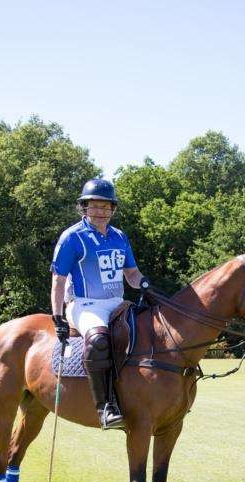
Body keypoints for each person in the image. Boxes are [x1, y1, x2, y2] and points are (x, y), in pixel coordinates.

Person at [51, 178, 151, 430]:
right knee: (98, 341)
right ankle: (105, 407)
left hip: (117, 303)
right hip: (85, 304)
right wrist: (57, 316)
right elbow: (58, 280)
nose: (101, 211)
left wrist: (148, 286)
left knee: (149, 329)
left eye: (106, 207)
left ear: (113, 209)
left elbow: (132, 274)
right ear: (84, 207)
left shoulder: (119, 237)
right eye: (95, 206)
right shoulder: (72, 237)